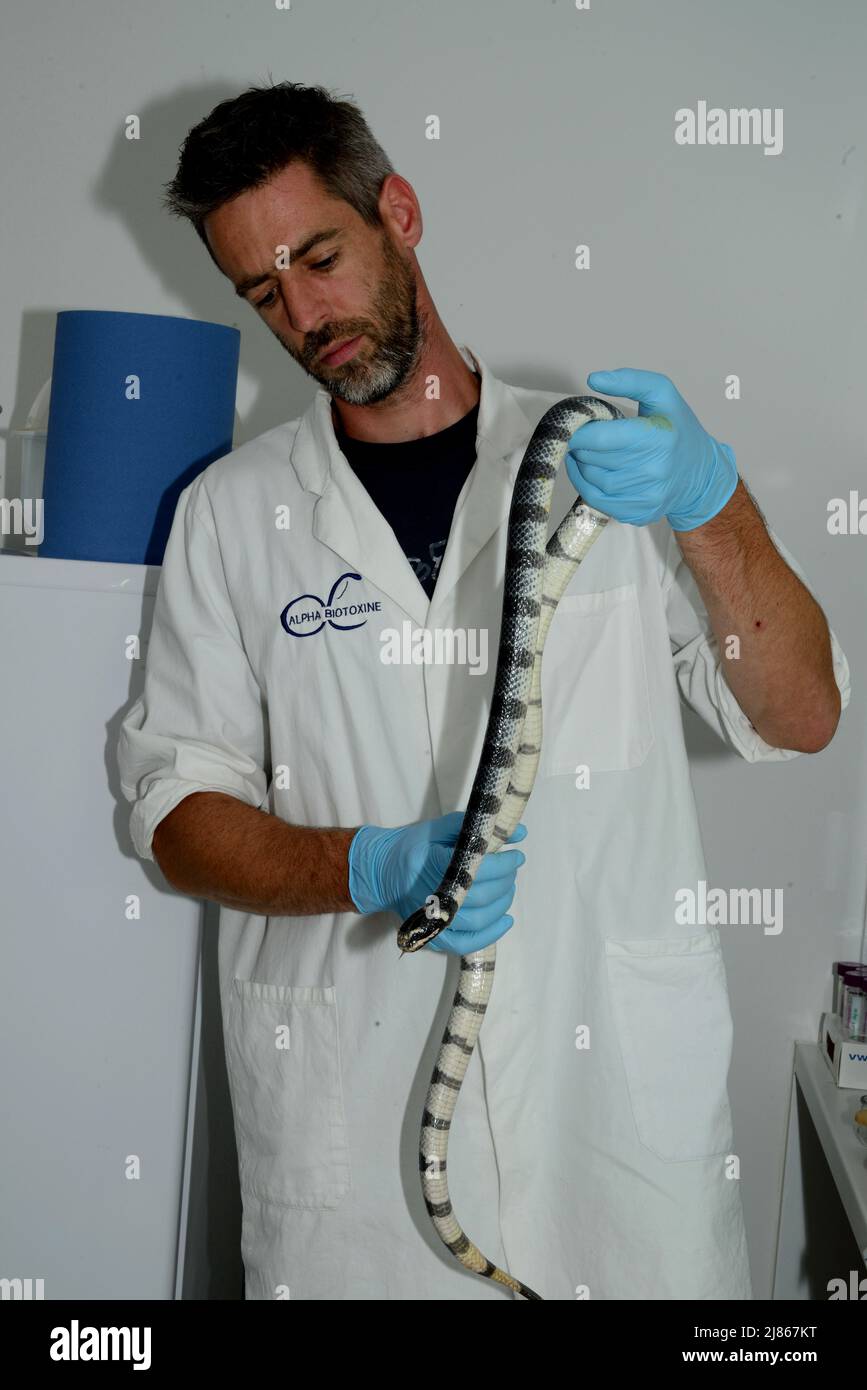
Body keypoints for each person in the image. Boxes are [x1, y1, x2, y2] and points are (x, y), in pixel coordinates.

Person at [117, 81, 850, 1301]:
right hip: (354, 1186)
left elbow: (801, 713)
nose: (304, 311)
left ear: (398, 210)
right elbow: (172, 812)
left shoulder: (606, 465)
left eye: (320, 255)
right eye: (261, 289)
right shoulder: (231, 518)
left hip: (616, 1145)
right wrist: (362, 866)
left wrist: (709, 502)